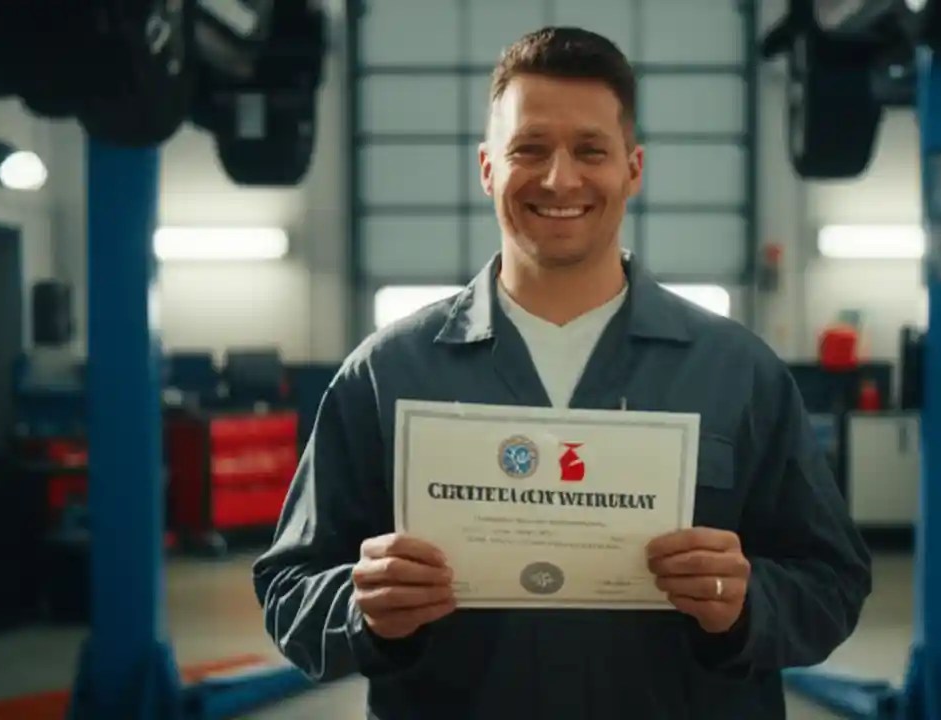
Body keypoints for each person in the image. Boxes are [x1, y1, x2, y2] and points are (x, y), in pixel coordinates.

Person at [253, 26, 872, 720]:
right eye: (530, 149)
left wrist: (748, 601)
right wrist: (362, 607)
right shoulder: (387, 373)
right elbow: (290, 591)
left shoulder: (738, 373)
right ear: (487, 168)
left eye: (590, 151)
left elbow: (833, 583)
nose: (559, 179)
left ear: (633, 169)